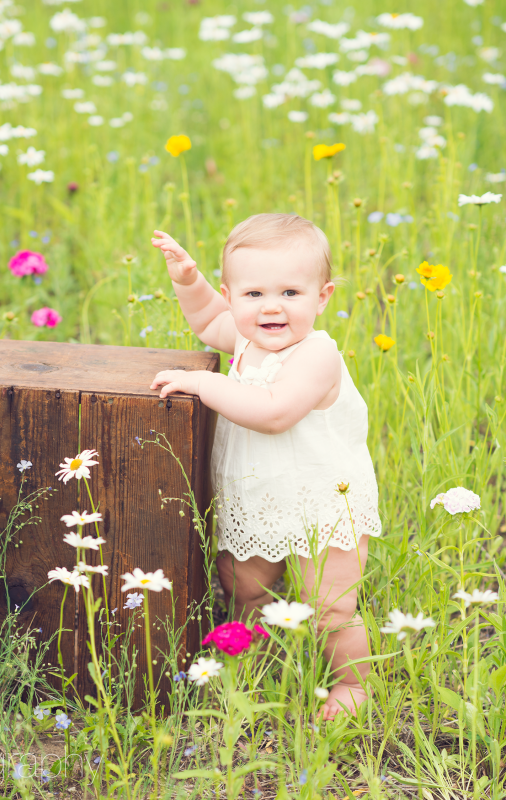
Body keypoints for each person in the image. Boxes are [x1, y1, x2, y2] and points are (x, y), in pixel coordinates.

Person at [149, 213, 382, 721]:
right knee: (241, 584)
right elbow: (210, 321)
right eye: (252, 295)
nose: (271, 307)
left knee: (330, 605)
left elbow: (274, 413)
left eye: (290, 294)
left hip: (324, 500)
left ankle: (351, 684)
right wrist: (190, 281)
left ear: (322, 297)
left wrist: (203, 384)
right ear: (234, 296)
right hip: (258, 497)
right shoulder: (249, 339)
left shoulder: (316, 356)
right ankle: (249, 660)